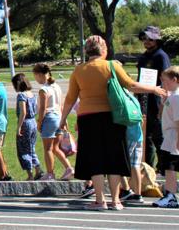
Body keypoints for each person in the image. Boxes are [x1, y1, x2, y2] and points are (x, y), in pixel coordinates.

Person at [59, 35, 166, 211]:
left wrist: (62, 120)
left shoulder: (79, 70)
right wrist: (153, 89)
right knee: (114, 158)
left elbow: (71, 98)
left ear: (86, 51)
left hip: (88, 118)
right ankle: (116, 201)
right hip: (112, 117)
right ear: (104, 50)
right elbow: (131, 85)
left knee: (96, 160)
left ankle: (100, 201)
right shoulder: (112, 66)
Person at [136, 26, 171, 170]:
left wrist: (164, 101)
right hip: (143, 100)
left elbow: (166, 79)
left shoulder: (161, 56)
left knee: (159, 136)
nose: (147, 41)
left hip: (156, 101)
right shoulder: (144, 56)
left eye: (150, 39)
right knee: (145, 137)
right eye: (144, 39)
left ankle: (163, 167)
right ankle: (148, 168)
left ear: (156, 39)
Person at [153, 66, 179, 208]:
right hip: (170, 136)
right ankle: (170, 195)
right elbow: (160, 115)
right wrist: (163, 102)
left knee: (171, 166)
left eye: (165, 80)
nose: (162, 83)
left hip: (176, 136)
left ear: (175, 80)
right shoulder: (172, 95)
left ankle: (170, 196)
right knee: (169, 166)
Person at [33, 63, 74, 181]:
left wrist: (39, 122)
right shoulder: (56, 87)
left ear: (40, 75)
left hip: (49, 119)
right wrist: (64, 120)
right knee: (56, 148)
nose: (35, 79)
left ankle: (50, 173)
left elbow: (42, 108)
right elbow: (61, 105)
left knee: (48, 149)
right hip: (59, 117)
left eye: (35, 76)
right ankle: (69, 168)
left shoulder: (43, 89)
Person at [12, 73, 43, 180]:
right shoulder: (32, 94)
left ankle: (30, 174)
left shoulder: (22, 95)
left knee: (23, 149)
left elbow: (23, 112)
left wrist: (19, 127)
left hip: (25, 123)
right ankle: (38, 169)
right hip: (33, 122)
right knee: (31, 147)